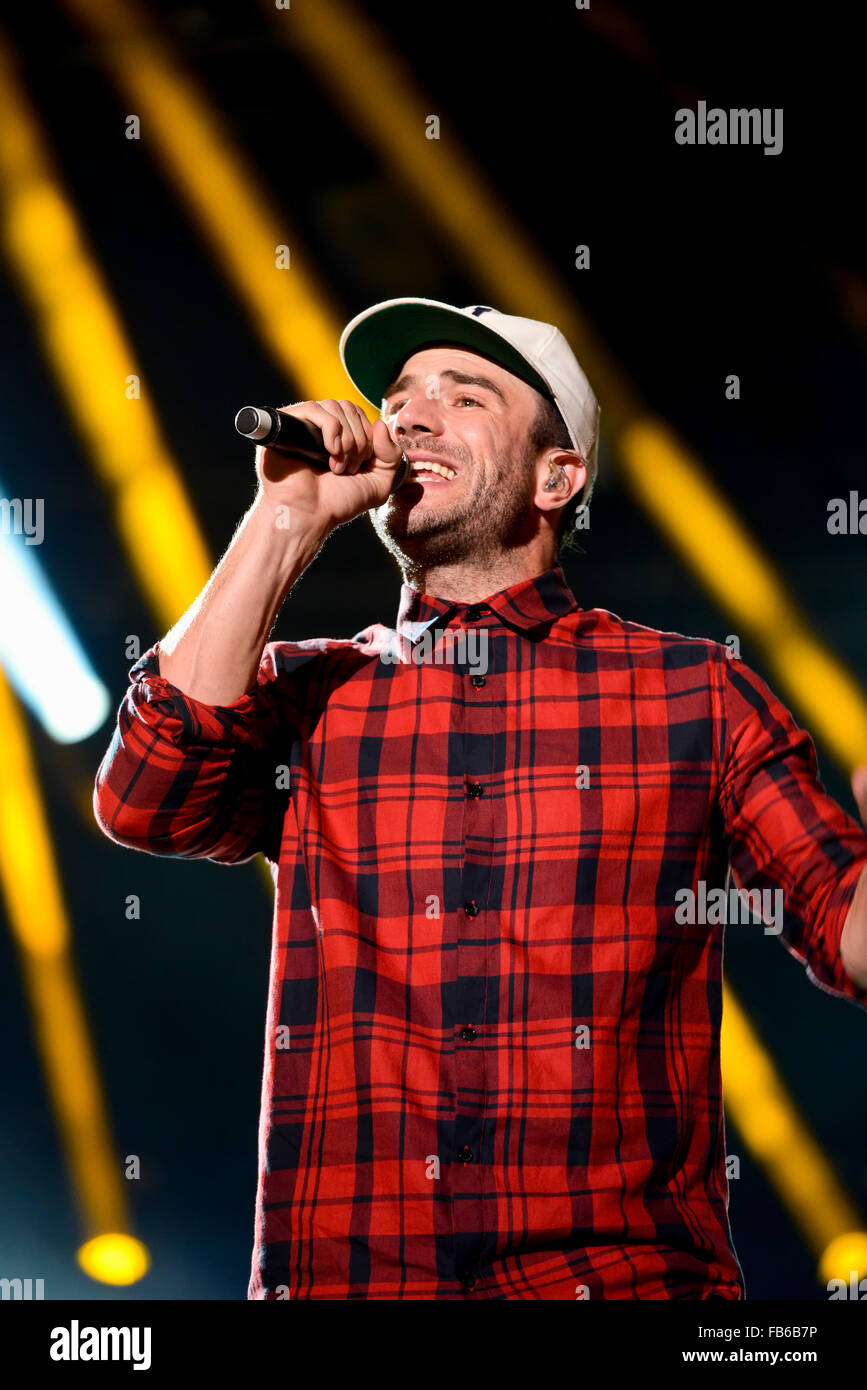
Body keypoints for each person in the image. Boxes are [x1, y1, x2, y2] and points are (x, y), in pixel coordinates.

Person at [93, 298, 867, 1300]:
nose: (410, 419)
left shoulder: (694, 692)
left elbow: (846, 925)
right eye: (399, 400)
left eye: (465, 397)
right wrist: (284, 516)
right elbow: (144, 800)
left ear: (559, 475)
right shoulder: (304, 692)